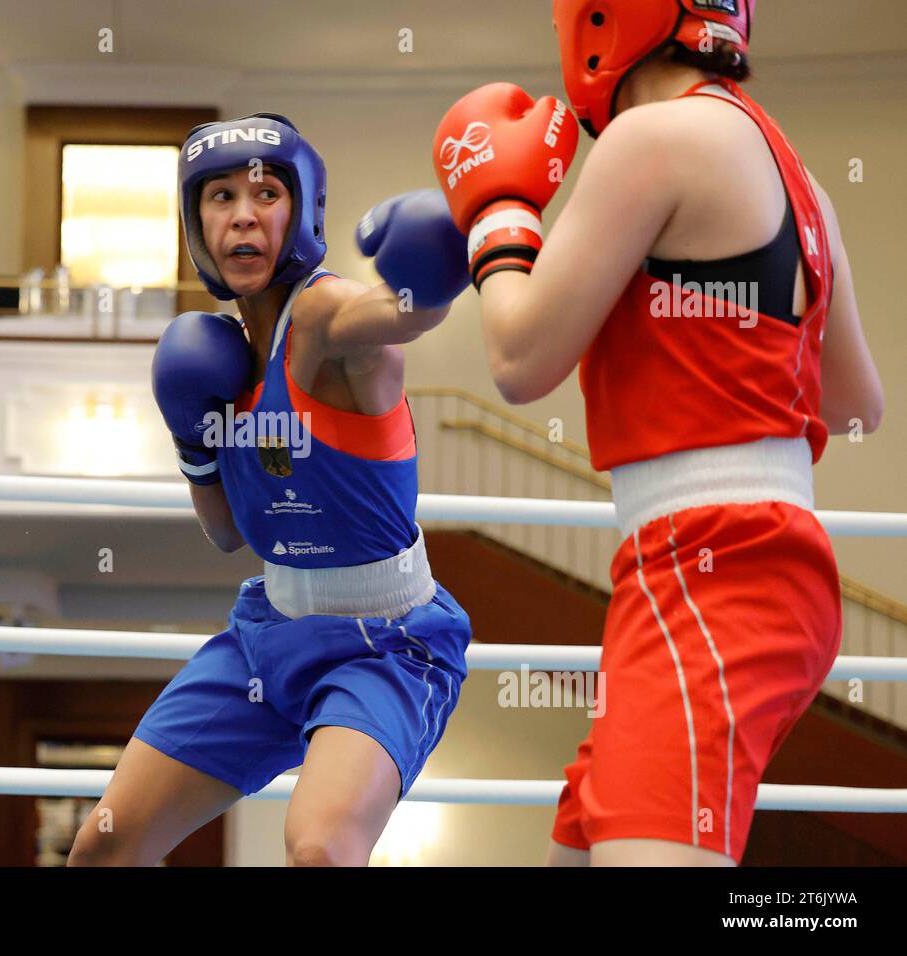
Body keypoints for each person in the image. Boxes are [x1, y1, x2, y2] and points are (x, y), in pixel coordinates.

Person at [432, 0, 884, 865]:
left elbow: (520, 359)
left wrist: (498, 214)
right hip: (742, 564)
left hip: (711, 567)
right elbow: (858, 405)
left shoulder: (653, 139)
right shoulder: (804, 183)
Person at [69, 113, 473, 866]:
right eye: (220, 197)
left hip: (384, 641)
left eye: (265, 193)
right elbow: (227, 533)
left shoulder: (321, 314)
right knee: (102, 847)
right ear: (197, 224)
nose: (243, 215)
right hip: (268, 630)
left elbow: (400, 316)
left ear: (302, 211)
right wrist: (195, 444)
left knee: (319, 850)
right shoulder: (218, 356)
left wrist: (442, 253)